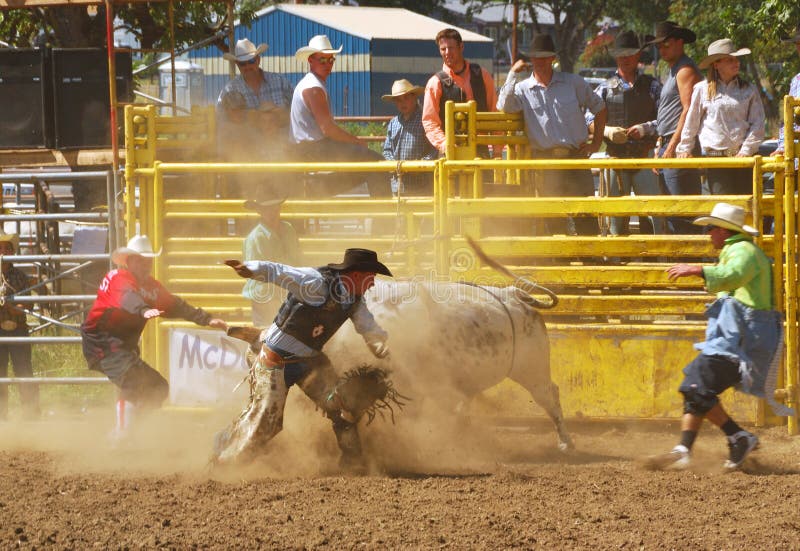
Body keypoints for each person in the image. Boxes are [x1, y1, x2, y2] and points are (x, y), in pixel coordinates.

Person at [213, 248, 393, 471]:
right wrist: (251, 268)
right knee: (266, 422)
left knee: (343, 404)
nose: (373, 283)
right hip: (274, 359)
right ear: (357, 275)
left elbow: (368, 326)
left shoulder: (354, 299)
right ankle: (223, 462)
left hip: (309, 361)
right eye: (371, 277)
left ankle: (353, 462)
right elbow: (280, 271)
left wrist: (378, 345)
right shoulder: (316, 283)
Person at [648, 203, 792, 471]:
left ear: (725, 231)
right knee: (696, 387)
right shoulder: (738, 250)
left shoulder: (743, 252)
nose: (708, 233)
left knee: (695, 386)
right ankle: (693, 447)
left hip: (741, 341)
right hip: (738, 339)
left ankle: (735, 437)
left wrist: (698, 270)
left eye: (711, 227)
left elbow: (732, 276)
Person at [81, 235, 227, 436]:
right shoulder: (117, 278)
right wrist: (142, 310)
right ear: (129, 261)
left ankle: (127, 429)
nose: (145, 264)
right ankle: (121, 435)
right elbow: (127, 299)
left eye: (148, 260)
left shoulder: (151, 287)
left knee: (158, 388)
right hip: (101, 341)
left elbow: (174, 304)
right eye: (141, 260)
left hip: (121, 345)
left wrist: (206, 319)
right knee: (131, 381)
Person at [496, 33, 606, 236]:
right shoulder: (522, 89)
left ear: (552, 58)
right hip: (545, 162)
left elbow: (599, 108)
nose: (539, 61)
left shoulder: (573, 82)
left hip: (576, 157)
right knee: (553, 218)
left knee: (585, 215)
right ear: (530, 60)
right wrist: (512, 73)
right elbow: (503, 106)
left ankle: (591, 260)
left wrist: (595, 144)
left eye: (544, 56)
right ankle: (561, 263)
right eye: (536, 57)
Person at [289, 35, 391, 198]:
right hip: (315, 148)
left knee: (366, 166)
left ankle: (318, 189)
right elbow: (327, 128)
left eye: (331, 60)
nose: (328, 64)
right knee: (376, 163)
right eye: (323, 60)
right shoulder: (314, 88)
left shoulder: (310, 84)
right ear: (311, 60)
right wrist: (356, 141)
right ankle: (385, 217)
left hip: (308, 148)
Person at [592, 30, 663, 235]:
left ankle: (652, 261)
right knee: (614, 217)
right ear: (615, 57)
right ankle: (616, 261)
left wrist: (647, 127)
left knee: (652, 215)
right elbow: (588, 118)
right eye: (621, 54)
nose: (625, 58)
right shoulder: (604, 88)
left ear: (638, 55)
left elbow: (667, 119)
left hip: (646, 158)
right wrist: (606, 130)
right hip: (615, 158)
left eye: (630, 53)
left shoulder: (653, 86)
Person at [677, 39, 765, 195]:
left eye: (736, 59)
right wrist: (685, 148)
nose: (736, 63)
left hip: (743, 158)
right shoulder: (702, 89)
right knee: (723, 207)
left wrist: (745, 151)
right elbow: (692, 121)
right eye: (730, 60)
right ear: (716, 64)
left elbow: (757, 123)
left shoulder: (748, 89)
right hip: (715, 159)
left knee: (747, 206)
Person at [646, 21, 703, 235]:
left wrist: (671, 147)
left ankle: (688, 262)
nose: (662, 49)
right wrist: (660, 145)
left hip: (679, 147)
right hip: (669, 143)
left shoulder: (685, 69)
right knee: (673, 211)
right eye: (659, 46)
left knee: (681, 212)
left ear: (680, 42)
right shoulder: (674, 69)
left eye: (666, 44)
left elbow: (688, 110)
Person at [422, 28, 499, 159]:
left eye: (451, 48)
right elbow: (429, 121)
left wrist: (497, 151)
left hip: (480, 151)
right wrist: (444, 143)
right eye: (443, 49)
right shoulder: (435, 83)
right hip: (450, 155)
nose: (447, 53)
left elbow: (494, 113)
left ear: (461, 47)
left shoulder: (482, 75)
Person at [216, 37, 293, 164]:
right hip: (247, 155)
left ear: (258, 60)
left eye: (250, 61)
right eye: (242, 63)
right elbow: (221, 123)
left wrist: (279, 116)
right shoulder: (230, 90)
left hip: (283, 151)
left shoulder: (281, 82)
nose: (247, 66)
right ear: (237, 65)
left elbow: (298, 112)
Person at [242, 194, 300, 326]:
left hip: (288, 294)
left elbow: (298, 261)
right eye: (267, 208)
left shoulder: (289, 230)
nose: (272, 212)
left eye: (275, 207)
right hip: (266, 299)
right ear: (259, 211)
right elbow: (257, 276)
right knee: (266, 337)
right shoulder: (255, 238)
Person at [0, 232, 39, 421]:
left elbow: (28, 304)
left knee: (23, 370)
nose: (3, 252)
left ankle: (30, 414)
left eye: (7, 248)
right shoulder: (20, 275)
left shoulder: (20, 276)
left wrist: (13, 308)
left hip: (18, 328)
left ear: (12, 251)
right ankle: (1, 415)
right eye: (0, 248)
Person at [381, 79, 438, 195]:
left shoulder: (426, 120)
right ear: (395, 102)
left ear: (414, 98)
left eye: (406, 98)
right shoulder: (393, 123)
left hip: (422, 185)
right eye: (398, 100)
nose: (402, 103)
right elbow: (387, 150)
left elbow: (435, 149)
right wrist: (393, 165)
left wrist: (419, 166)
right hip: (397, 185)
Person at [772, 24, 800, 158]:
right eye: (797, 43)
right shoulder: (797, 81)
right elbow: (789, 121)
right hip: (795, 158)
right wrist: (783, 147)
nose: (799, 48)